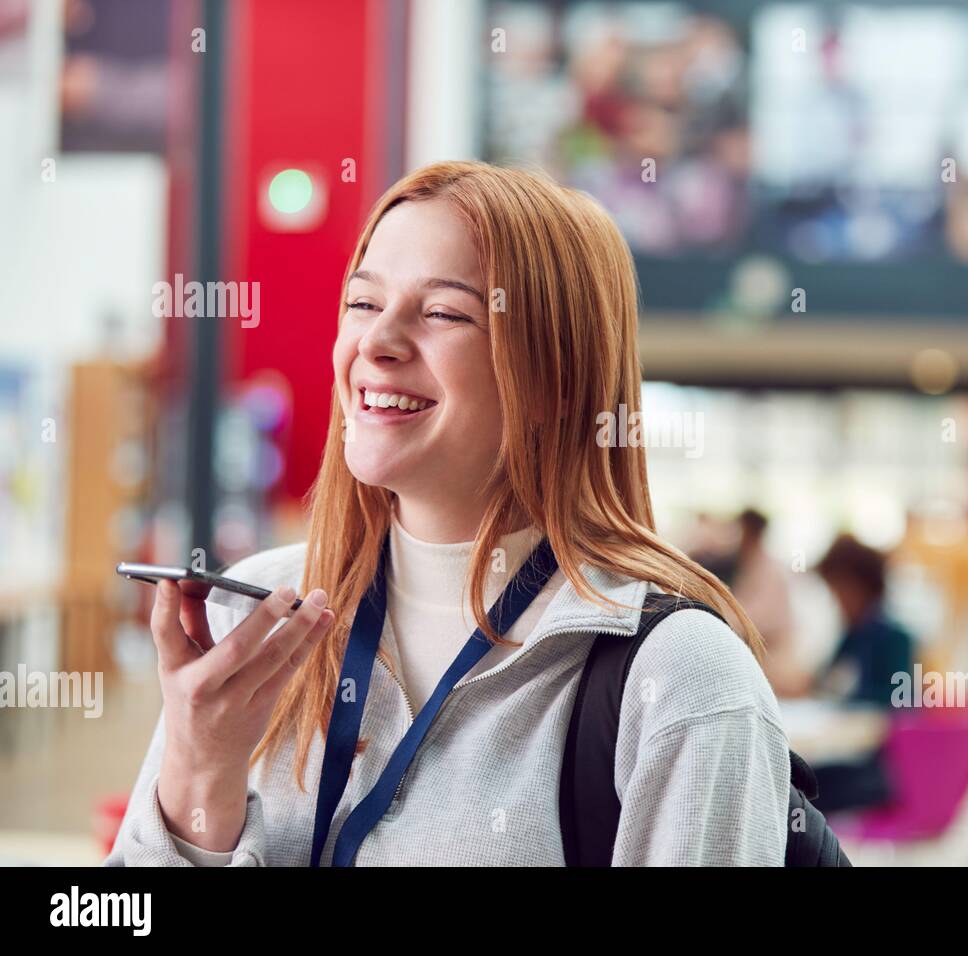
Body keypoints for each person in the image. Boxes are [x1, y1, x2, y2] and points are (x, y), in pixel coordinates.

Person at [106, 162, 791, 866]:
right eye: (363, 304)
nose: (377, 343)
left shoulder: (679, 679)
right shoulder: (247, 620)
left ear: (559, 379)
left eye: (443, 314)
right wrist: (198, 773)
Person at [815, 534, 913, 707]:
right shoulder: (852, 635)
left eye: (843, 591)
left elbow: (900, 699)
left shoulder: (895, 639)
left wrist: (847, 694)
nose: (839, 602)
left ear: (864, 587)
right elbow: (827, 681)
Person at [731, 509, 801, 697]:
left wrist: (722, 618)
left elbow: (757, 619)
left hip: (776, 658)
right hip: (760, 656)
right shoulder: (749, 566)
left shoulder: (771, 570)